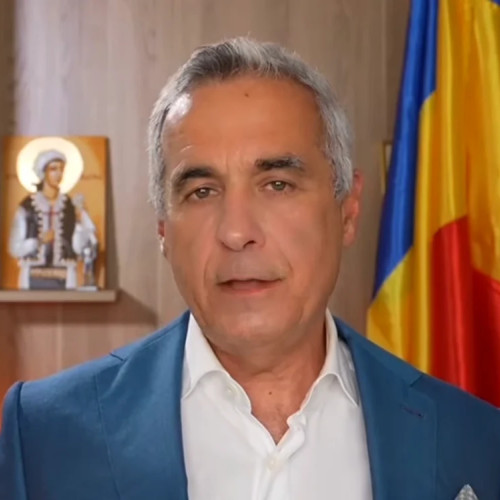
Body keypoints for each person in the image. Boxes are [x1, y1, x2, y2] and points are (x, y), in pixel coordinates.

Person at [1, 38, 499, 500]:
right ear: (163, 229)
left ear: (348, 210)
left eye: (277, 184)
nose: (237, 232)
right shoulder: (45, 434)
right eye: (202, 191)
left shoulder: (476, 441)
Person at [8, 149, 97, 289]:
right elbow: (14, 248)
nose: (59, 174)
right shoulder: (27, 207)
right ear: (43, 172)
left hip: (65, 276)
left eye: (61, 169)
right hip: (31, 275)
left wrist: (80, 220)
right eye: (53, 169)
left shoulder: (70, 206)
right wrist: (38, 241)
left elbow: (79, 248)